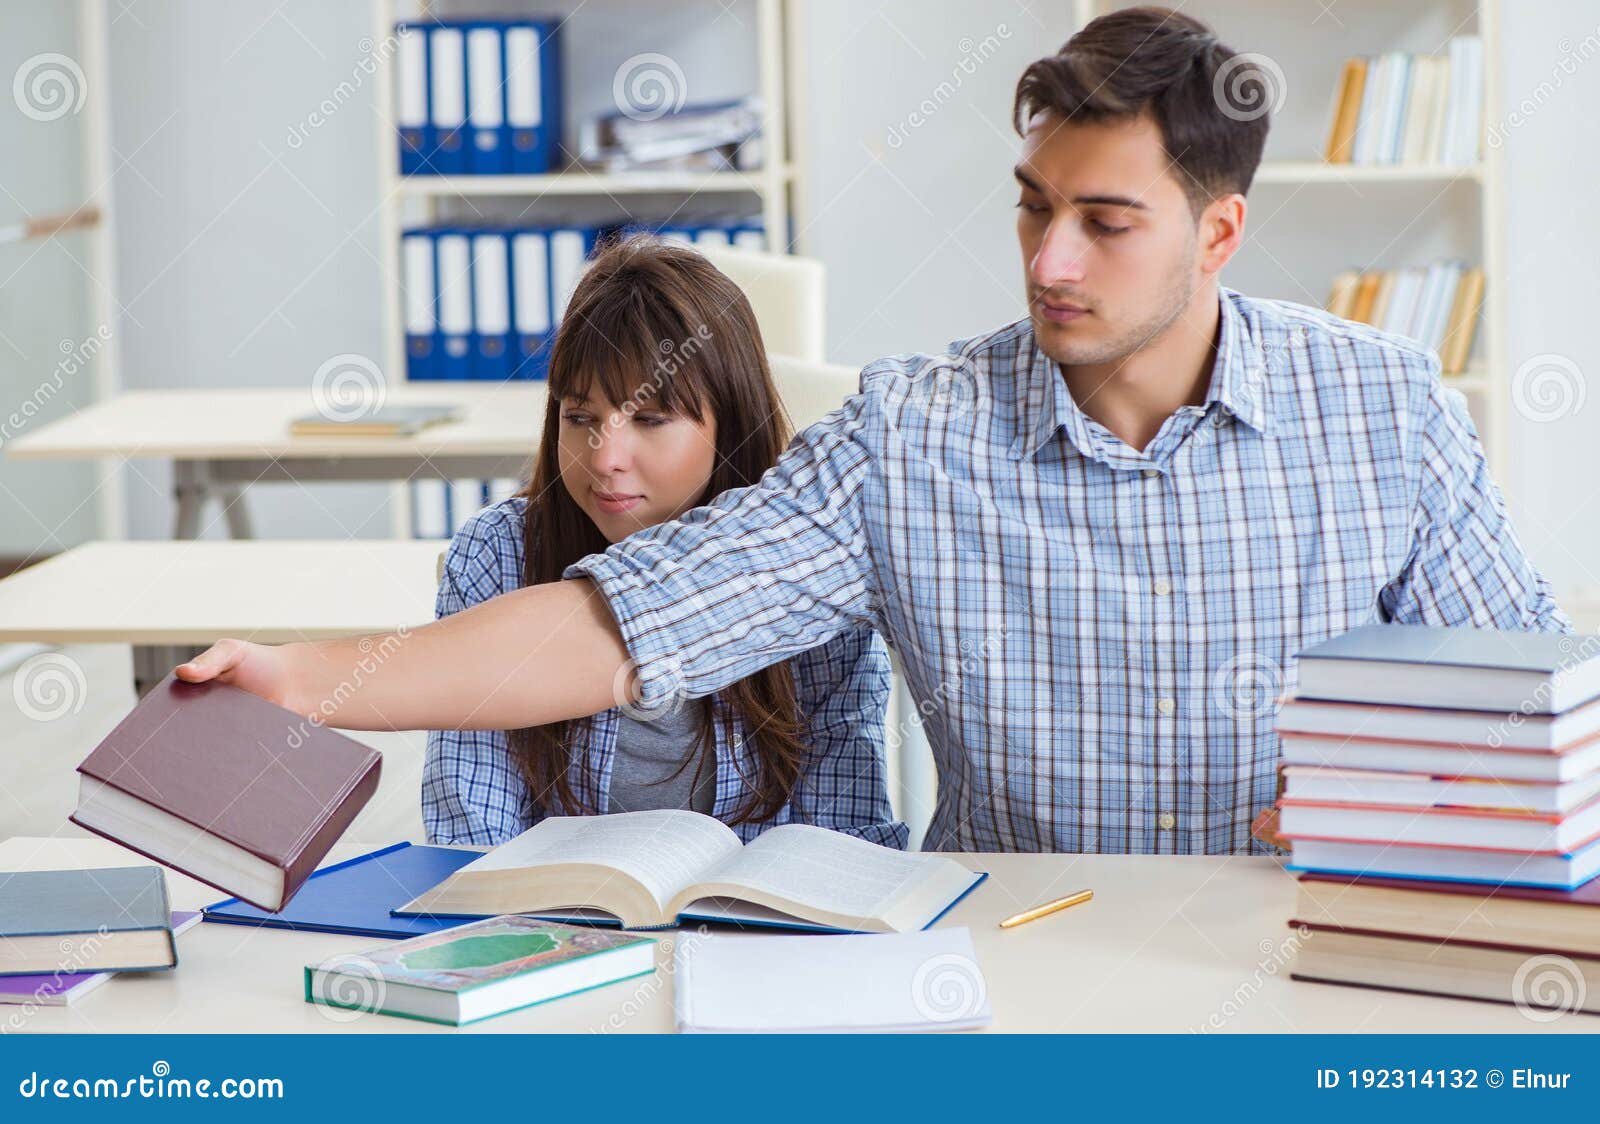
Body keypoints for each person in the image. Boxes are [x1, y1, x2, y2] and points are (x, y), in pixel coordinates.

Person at [179, 7, 1567, 856]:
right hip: (1018, 966)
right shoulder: (912, 430)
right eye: (1033, 205)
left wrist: (1417, 814)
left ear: (1219, 233)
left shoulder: (1387, 407)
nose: (1049, 262)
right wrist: (311, 675)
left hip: (1286, 953)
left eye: (1104, 221)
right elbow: (627, 624)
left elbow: (1535, 714)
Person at [430, 237, 903, 847]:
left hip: (760, 936)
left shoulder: (809, 563)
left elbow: (845, 842)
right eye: (579, 418)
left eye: (650, 421)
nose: (606, 459)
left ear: (729, 424)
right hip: (553, 931)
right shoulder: (499, 556)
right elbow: (469, 835)